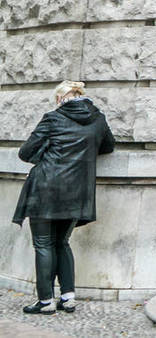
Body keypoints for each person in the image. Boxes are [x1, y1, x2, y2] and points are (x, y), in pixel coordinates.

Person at [11, 80, 115, 315]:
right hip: (77, 191)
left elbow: (25, 152)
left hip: (46, 189)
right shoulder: (98, 119)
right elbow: (108, 146)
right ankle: (68, 298)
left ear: (60, 98)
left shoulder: (53, 118)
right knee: (62, 243)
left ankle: (46, 301)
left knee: (43, 244)